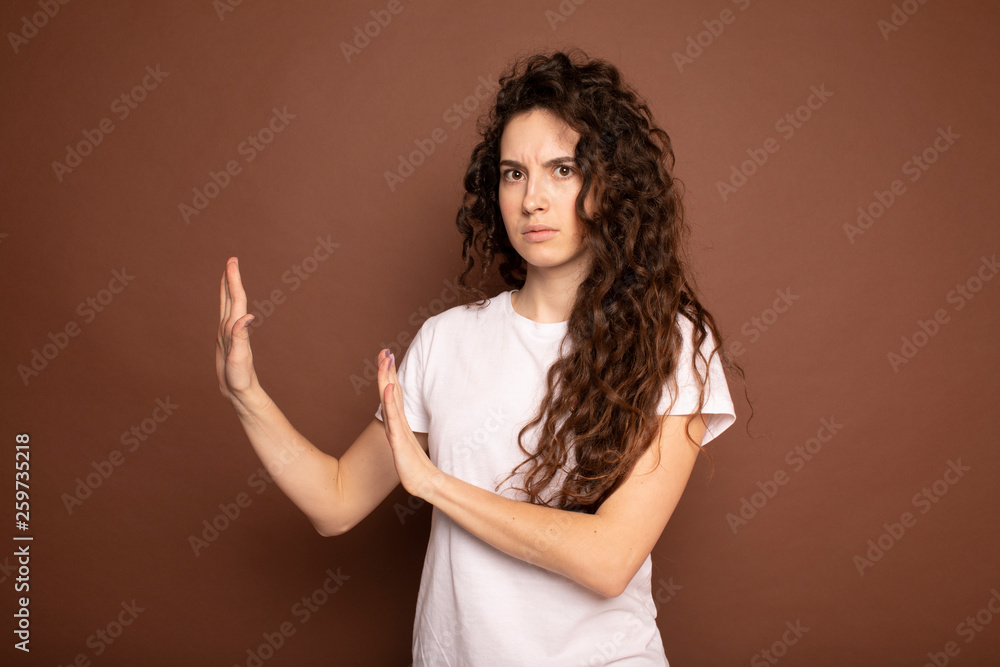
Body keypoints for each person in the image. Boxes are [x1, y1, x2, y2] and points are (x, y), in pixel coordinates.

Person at [217, 49, 747, 666]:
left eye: (563, 169)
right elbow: (336, 502)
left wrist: (435, 485)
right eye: (513, 173)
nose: (532, 199)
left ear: (610, 185)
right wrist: (245, 393)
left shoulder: (673, 344)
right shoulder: (447, 341)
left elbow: (609, 560)